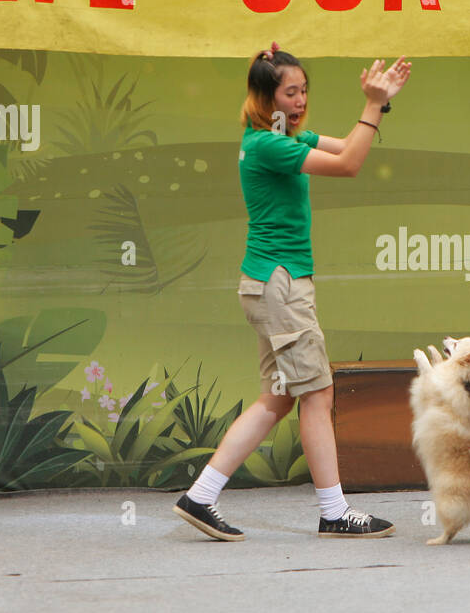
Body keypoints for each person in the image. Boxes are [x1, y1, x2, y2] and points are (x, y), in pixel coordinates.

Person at [174, 43, 412, 540]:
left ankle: (200, 497)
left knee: (278, 398)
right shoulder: (268, 146)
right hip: (280, 286)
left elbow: (346, 144)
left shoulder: (281, 137)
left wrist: (379, 102)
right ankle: (334, 512)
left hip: (270, 285)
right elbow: (349, 163)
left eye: (304, 90)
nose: (301, 100)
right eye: (290, 92)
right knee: (318, 393)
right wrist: (372, 103)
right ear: (266, 97)